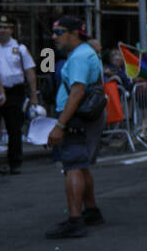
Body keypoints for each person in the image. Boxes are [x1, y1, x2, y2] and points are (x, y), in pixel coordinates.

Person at [44, 15, 105, 237]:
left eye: (59, 32)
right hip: (82, 117)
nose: (54, 37)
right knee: (81, 164)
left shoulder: (79, 57)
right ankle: (91, 211)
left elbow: (77, 92)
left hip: (75, 118)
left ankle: (75, 220)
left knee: (72, 166)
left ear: (74, 33)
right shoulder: (84, 53)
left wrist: (60, 125)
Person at [0, 14, 40, 175]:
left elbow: (30, 72)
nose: (1, 30)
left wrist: (34, 95)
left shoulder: (20, 48)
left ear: (11, 29)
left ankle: (14, 162)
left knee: (14, 128)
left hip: (15, 91)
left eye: (4, 27)